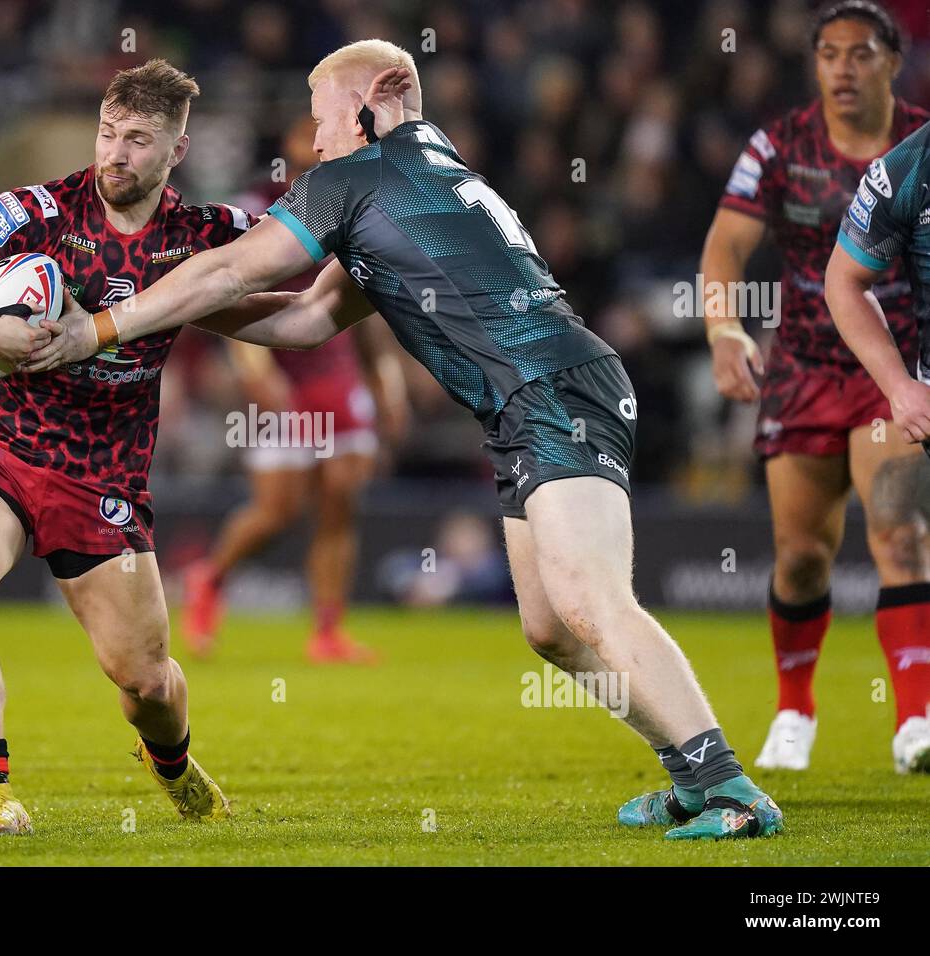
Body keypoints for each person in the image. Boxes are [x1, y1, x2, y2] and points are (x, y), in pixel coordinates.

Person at [39, 40, 784, 840]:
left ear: (378, 99)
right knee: (550, 630)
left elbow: (233, 273)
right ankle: (688, 777)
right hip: (526, 404)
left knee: (592, 602)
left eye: (322, 116)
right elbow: (307, 317)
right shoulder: (418, 174)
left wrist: (105, 324)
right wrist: (157, 298)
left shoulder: (361, 174)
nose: (314, 140)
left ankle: (733, 788)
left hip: (552, 391)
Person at [0, 59, 283, 835]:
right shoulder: (38, 212)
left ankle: (169, 761)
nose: (116, 153)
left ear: (177, 148)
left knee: (146, 683)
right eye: (108, 133)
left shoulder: (203, 237)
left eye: (139, 140)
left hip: (103, 480)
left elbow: (306, 275)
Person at [702, 0, 930, 773]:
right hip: (801, 369)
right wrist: (724, 330)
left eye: (860, 53)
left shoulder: (920, 148)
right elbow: (725, 248)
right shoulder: (778, 145)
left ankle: (915, 722)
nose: (842, 67)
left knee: (901, 535)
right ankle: (795, 712)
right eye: (828, 53)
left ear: (892, 61)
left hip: (891, 371)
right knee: (801, 556)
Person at [183, 116, 408, 663]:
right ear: (288, 143)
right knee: (277, 510)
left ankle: (327, 631)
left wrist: (387, 382)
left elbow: (367, 296)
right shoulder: (255, 205)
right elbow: (230, 282)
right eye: (307, 131)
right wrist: (254, 368)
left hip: (337, 375)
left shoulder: (359, 202)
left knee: (340, 502)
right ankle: (210, 579)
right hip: (285, 371)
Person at [825, 66, 930, 776]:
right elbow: (845, 278)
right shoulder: (907, 172)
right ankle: (916, 718)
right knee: (898, 532)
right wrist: (899, 386)